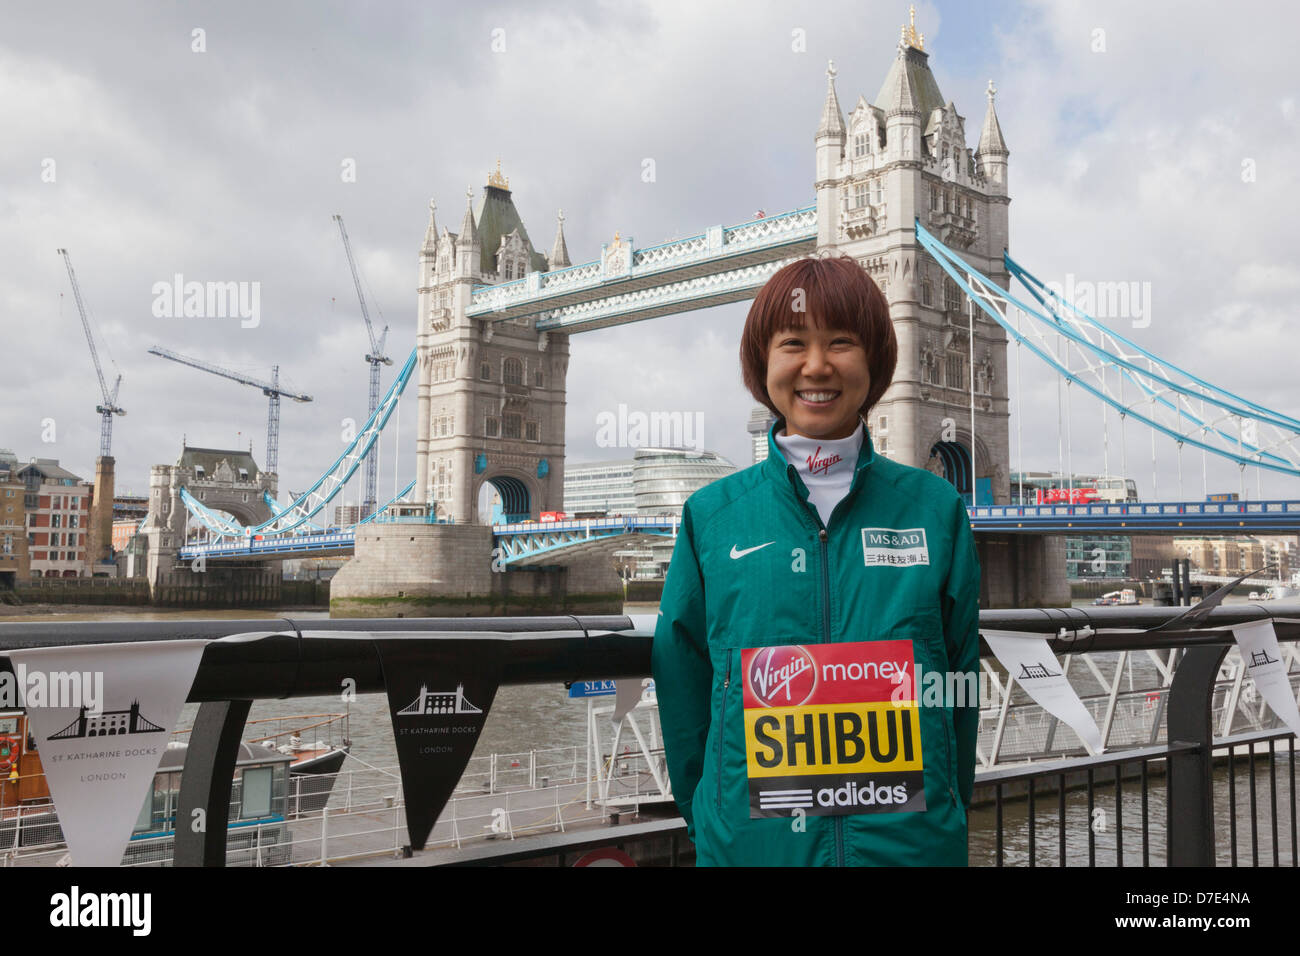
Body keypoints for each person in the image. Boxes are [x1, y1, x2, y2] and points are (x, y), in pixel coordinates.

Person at [652, 255, 981, 866]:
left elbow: (959, 683)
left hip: (910, 851)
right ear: (762, 363)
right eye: (793, 344)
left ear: (875, 359)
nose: (817, 365)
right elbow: (684, 681)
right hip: (752, 853)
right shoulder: (712, 516)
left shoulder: (934, 510)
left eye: (841, 343)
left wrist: (946, 815)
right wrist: (711, 818)